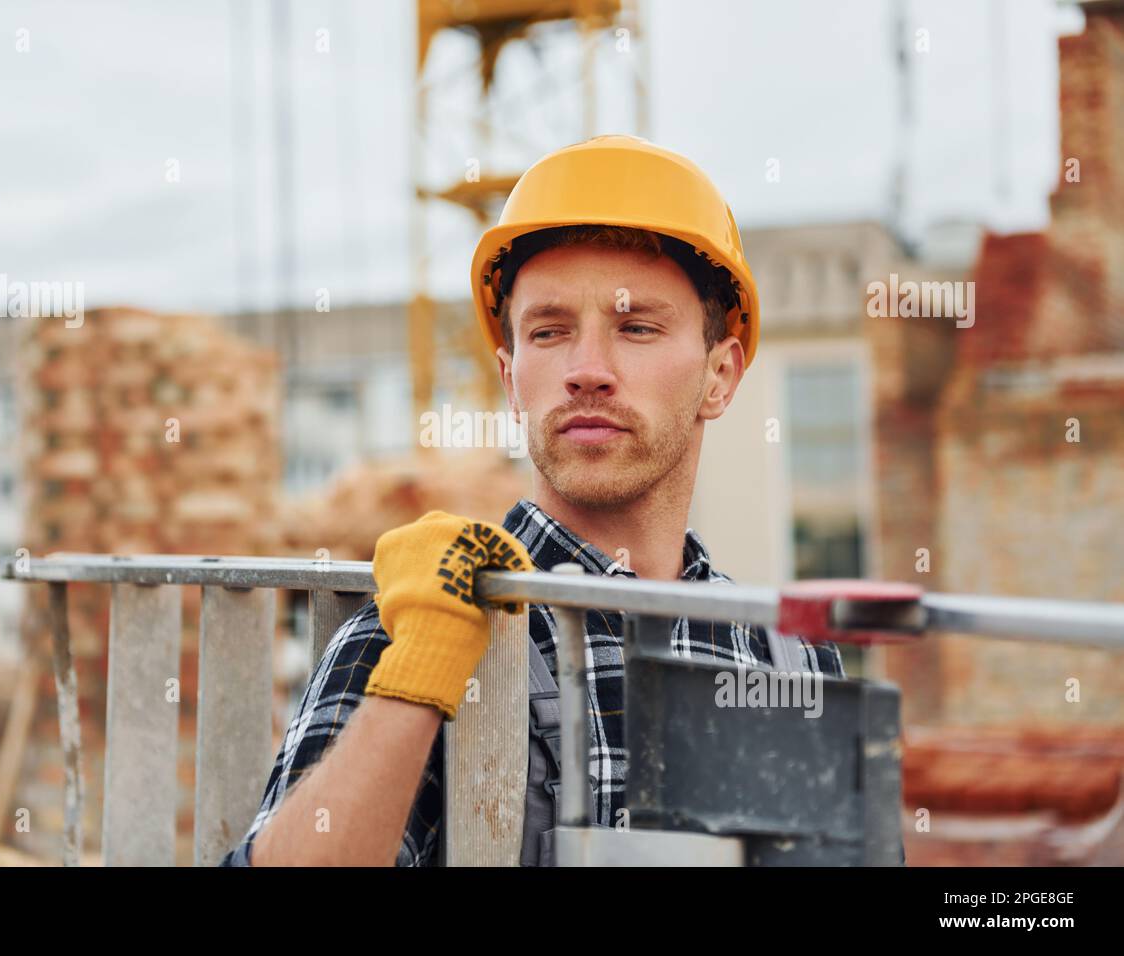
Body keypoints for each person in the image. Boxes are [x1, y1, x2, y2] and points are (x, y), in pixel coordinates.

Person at [221, 134, 845, 867]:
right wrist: (419, 674)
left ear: (721, 375)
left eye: (636, 327)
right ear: (512, 378)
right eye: (549, 333)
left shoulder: (789, 657)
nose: (586, 371)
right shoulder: (418, 635)